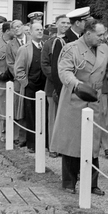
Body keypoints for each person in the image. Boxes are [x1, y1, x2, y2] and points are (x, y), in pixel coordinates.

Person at [51, 18, 108, 195]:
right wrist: (76, 85)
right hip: (75, 97)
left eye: (104, 34)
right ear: (87, 33)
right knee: (72, 143)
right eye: (99, 35)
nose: (103, 38)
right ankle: (69, 182)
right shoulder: (71, 48)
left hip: (95, 98)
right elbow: (64, 71)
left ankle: (91, 184)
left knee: (93, 144)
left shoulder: (103, 49)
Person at [14, 21, 47, 153]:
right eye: (37, 30)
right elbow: (19, 70)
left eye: (41, 29)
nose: (40, 32)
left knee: (43, 114)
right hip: (30, 86)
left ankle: (44, 142)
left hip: (44, 86)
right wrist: (26, 83)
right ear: (30, 32)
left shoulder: (45, 47)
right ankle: (32, 144)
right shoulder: (24, 49)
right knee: (31, 115)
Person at [41, 14, 70, 156]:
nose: (65, 25)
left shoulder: (72, 42)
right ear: (56, 25)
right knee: (53, 117)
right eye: (63, 23)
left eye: (68, 23)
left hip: (68, 85)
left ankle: (65, 147)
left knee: (66, 117)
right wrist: (56, 78)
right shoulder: (49, 43)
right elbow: (45, 64)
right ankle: (53, 147)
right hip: (52, 85)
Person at [6, 20, 28, 147]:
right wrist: (21, 77)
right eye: (14, 28)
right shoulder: (11, 45)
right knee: (19, 109)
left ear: (24, 27)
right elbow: (10, 64)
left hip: (33, 79)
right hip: (19, 81)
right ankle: (20, 137)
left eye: (19, 26)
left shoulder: (31, 39)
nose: (17, 29)